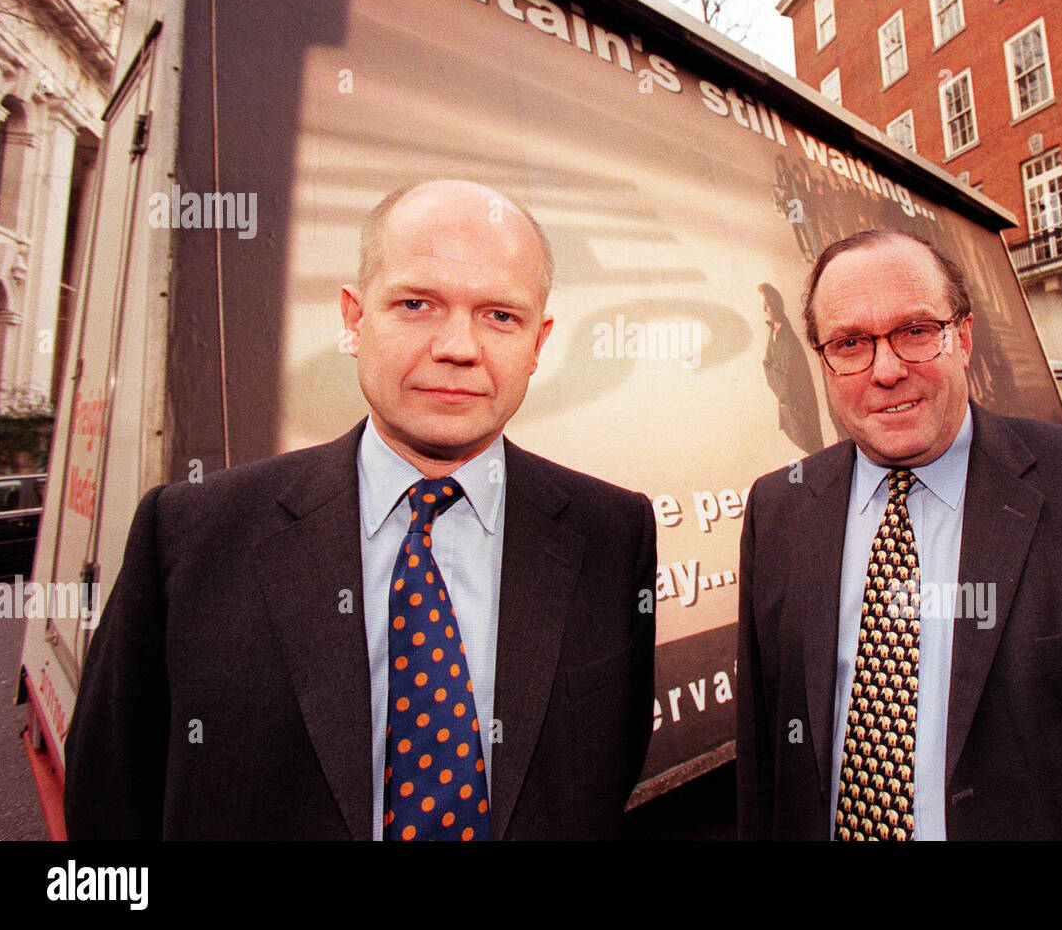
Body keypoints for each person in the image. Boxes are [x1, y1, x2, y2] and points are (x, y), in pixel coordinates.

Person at [64, 180, 657, 841]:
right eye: (416, 303)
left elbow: (610, 770)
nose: (459, 347)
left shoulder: (612, 535)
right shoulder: (187, 535)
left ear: (539, 341)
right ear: (354, 318)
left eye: (500, 317)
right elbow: (110, 804)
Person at [736, 229, 1062, 840]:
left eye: (915, 331)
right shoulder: (779, 507)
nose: (885, 370)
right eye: (850, 342)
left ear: (962, 338)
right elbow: (762, 762)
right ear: (824, 359)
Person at [758, 283, 824, 456]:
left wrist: (771, 370)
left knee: (808, 451)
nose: (764, 309)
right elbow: (768, 366)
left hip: (798, 409)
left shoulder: (787, 338)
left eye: (767, 304)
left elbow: (786, 383)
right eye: (763, 305)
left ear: (775, 304)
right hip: (788, 408)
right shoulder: (774, 333)